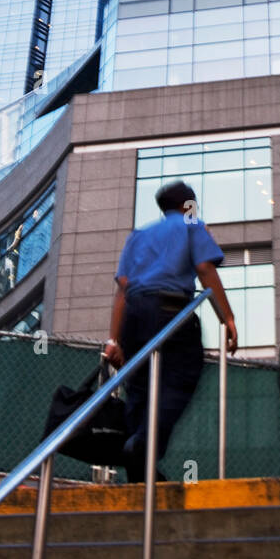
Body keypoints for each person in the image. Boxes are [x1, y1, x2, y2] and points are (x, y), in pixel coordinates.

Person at [104, 180, 238, 482]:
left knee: (139, 388)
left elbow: (123, 288)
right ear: (188, 205)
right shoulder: (192, 225)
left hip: (135, 315)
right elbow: (205, 269)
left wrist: (114, 339)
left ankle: (140, 469)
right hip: (170, 311)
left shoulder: (138, 236)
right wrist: (227, 317)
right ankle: (142, 446)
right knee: (180, 379)